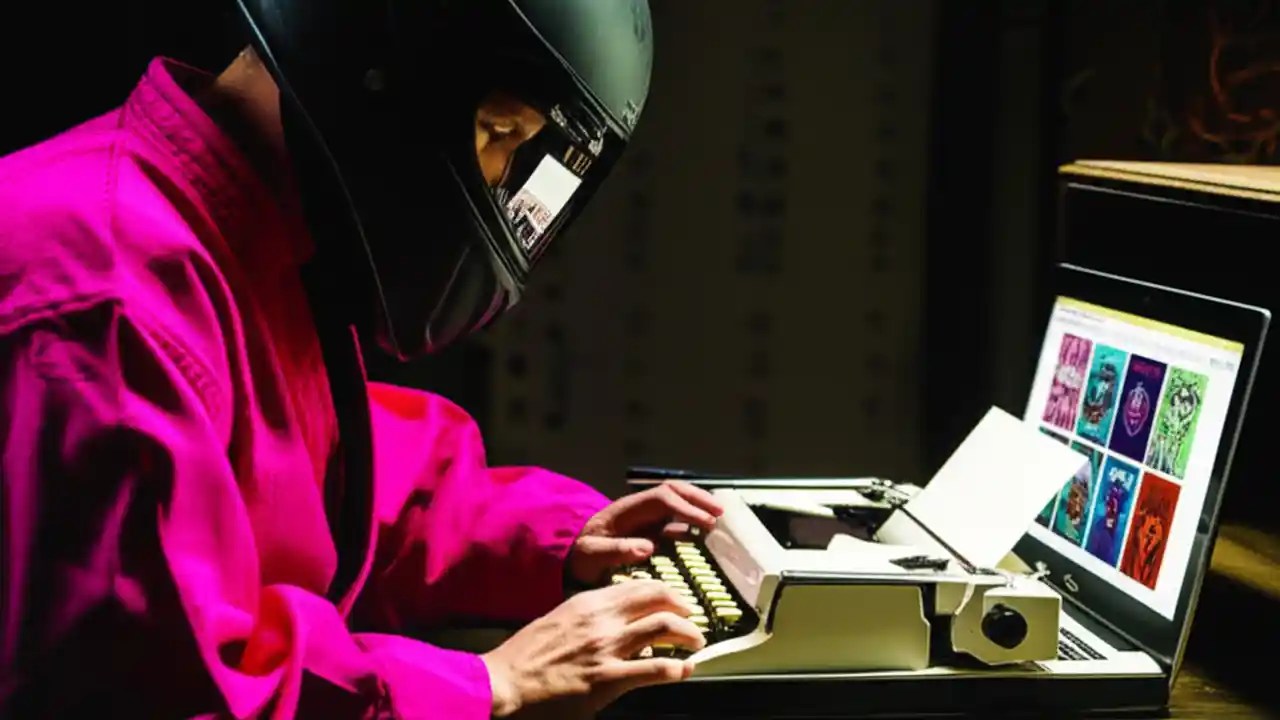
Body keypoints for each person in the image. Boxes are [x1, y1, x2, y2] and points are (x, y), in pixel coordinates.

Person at [0, 0, 725, 717]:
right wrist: (491, 683)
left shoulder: (235, 234)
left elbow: (332, 493)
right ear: (383, 72)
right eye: (500, 132)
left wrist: (557, 540)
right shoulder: (109, 298)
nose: (501, 179)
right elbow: (158, 693)